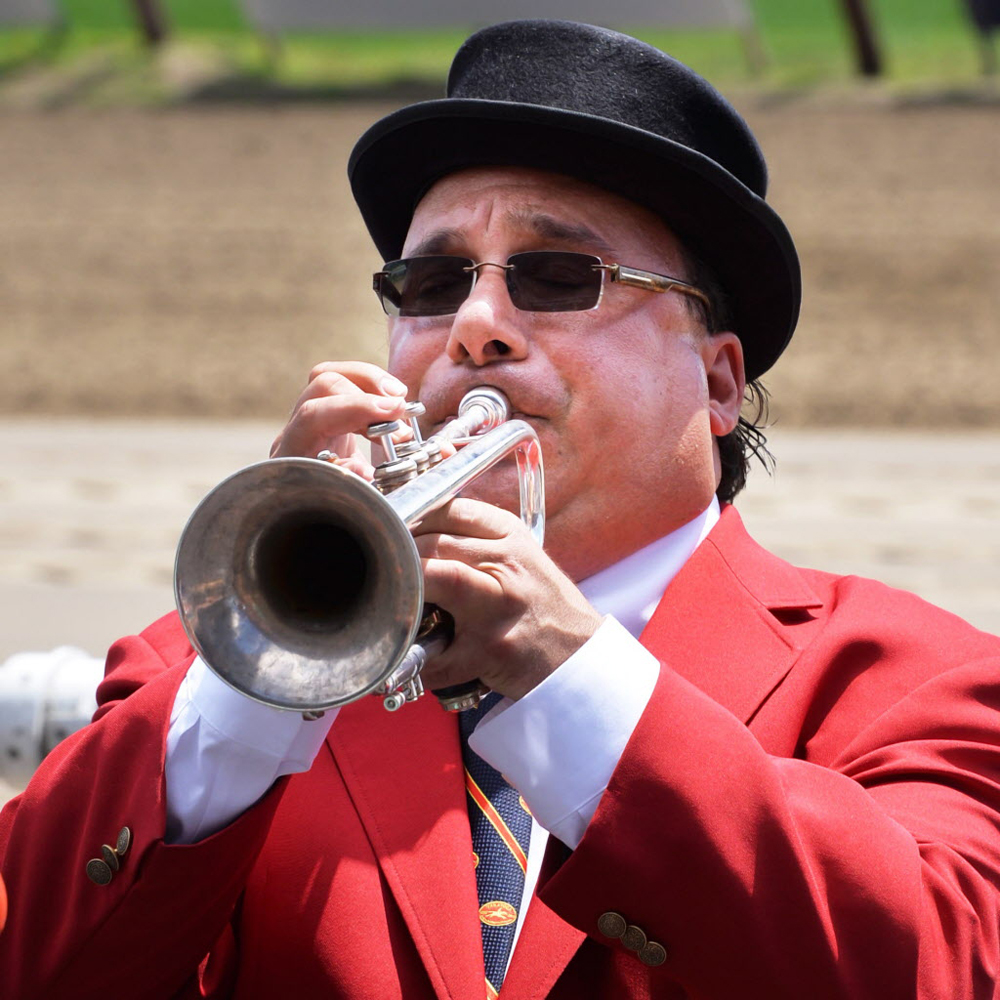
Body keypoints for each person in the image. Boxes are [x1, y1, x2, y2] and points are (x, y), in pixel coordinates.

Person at [2, 19, 1000, 1000]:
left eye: (558, 275)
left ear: (717, 380)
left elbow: (939, 968)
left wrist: (571, 675)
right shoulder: (204, 676)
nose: (476, 326)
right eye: (432, 283)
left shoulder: (917, 679)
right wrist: (264, 676)